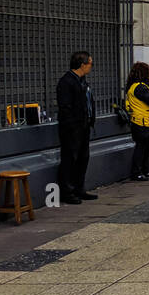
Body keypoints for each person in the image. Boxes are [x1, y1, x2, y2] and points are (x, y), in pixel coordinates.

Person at [56, 51, 97, 205]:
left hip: (84, 125)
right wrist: (73, 124)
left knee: (83, 158)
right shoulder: (67, 82)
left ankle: (79, 188)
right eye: (90, 64)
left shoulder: (82, 81)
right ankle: (67, 191)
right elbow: (65, 107)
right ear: (82, 64)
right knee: (69, 159)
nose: (91, 67)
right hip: (72, 128)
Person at [124, 61, 149, 181]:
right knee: (141, 148)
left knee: (145, 147)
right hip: (142, 122)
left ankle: (145, 171)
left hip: (142, 121)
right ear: (144, 73)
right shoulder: (140, 87)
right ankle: (137, 173)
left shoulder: (135, 86)